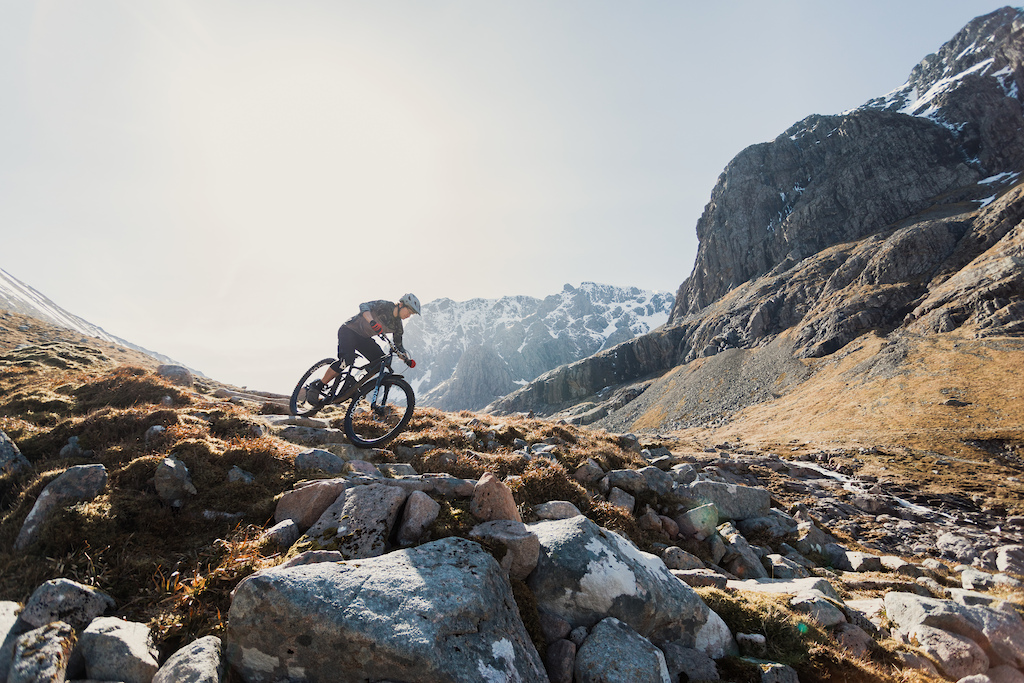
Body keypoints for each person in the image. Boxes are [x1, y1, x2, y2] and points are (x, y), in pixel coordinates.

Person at [304, 293, 420, 405]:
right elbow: (364, 306)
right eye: (409, 311)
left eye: (411, 314)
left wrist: (406, 358)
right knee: (347, 360)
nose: (408, 315)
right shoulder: (385, 305)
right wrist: (371, 321)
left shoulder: (398, 326)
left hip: (363, 338)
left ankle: (353, 383)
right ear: (400, 305)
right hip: (349, 330)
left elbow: (398, 345)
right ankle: (317, 386)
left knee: (381, 361)